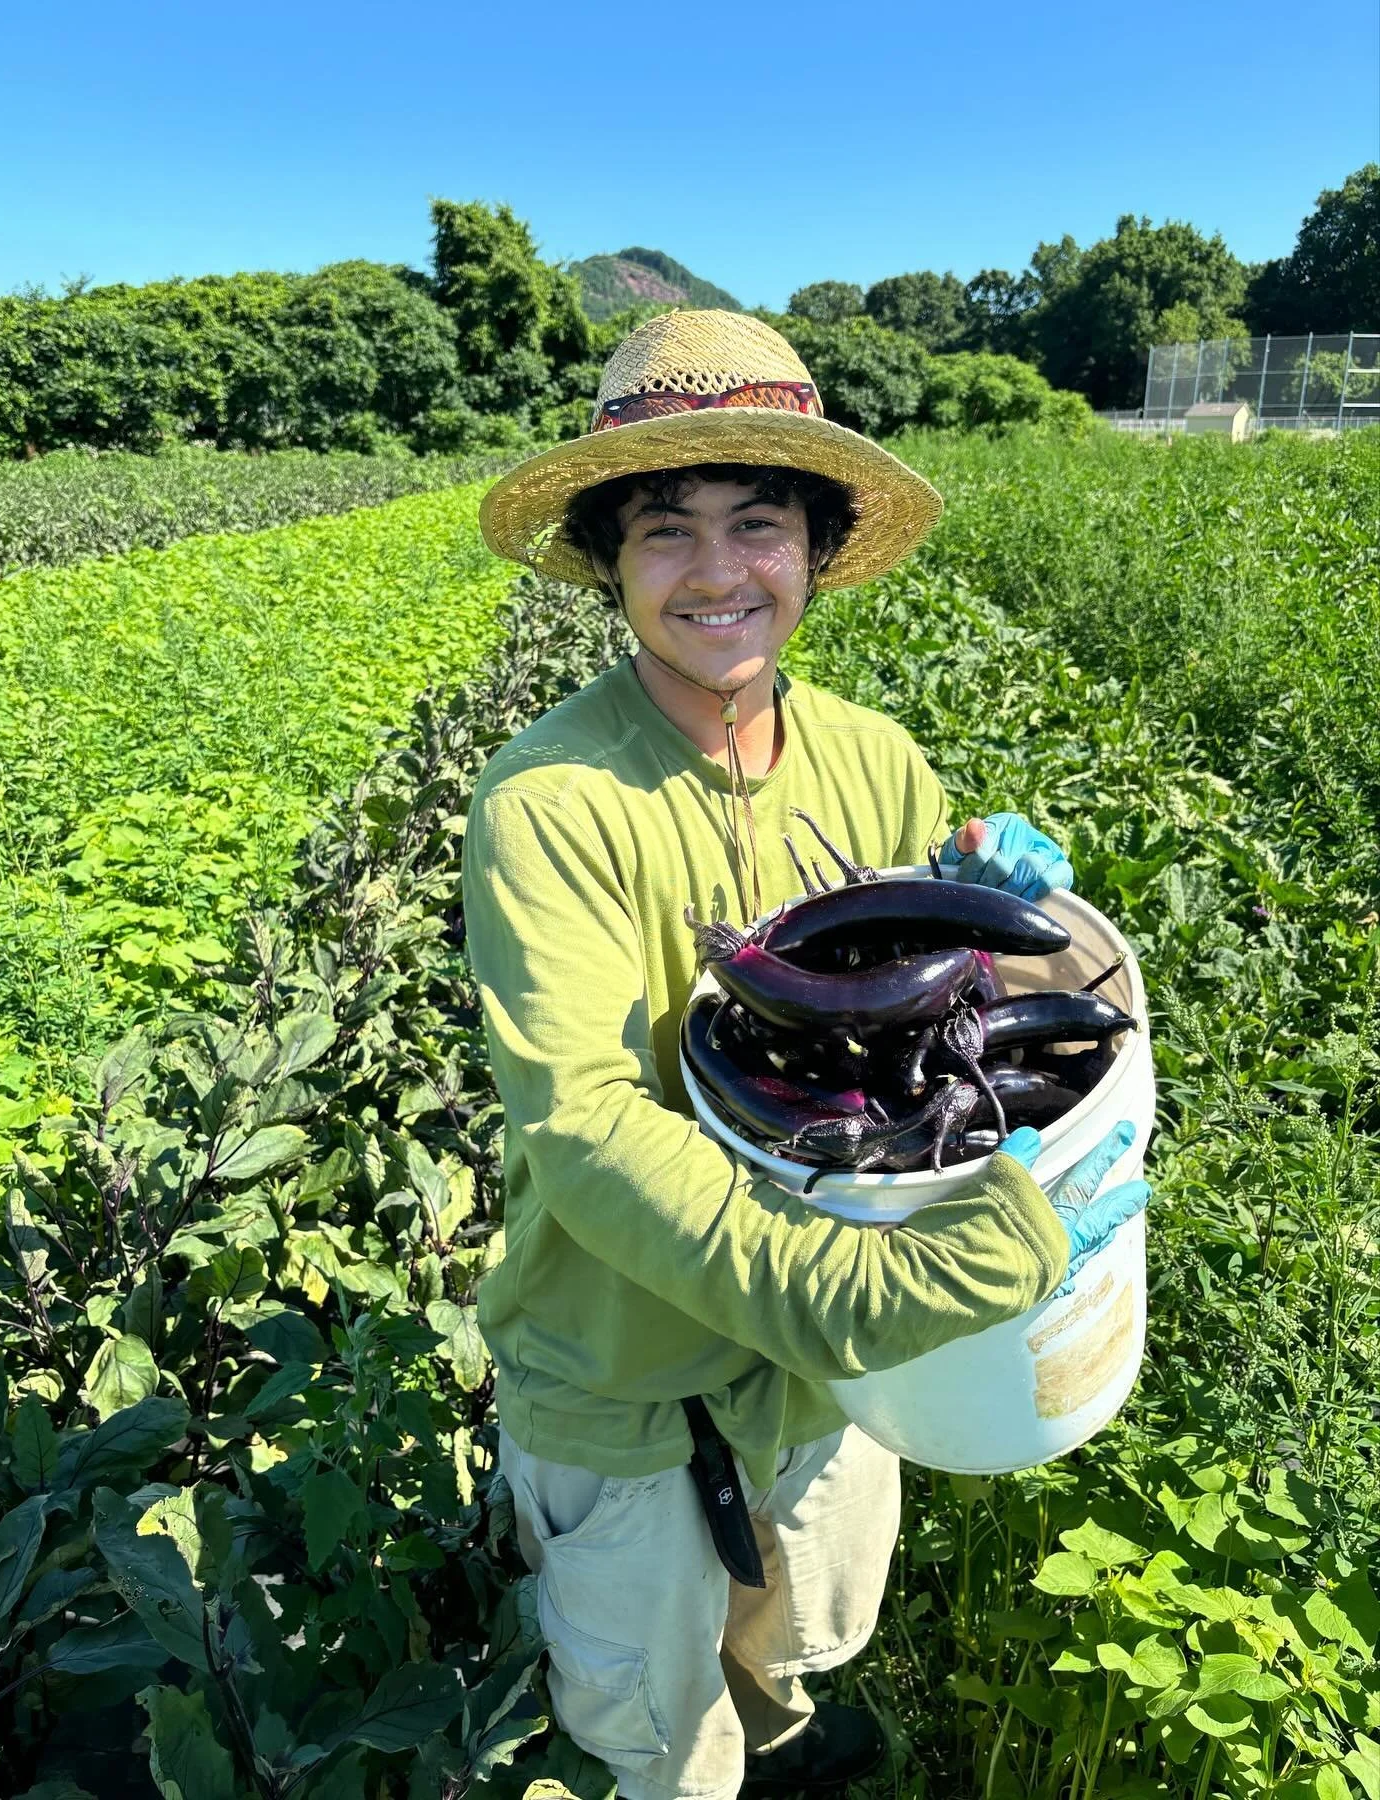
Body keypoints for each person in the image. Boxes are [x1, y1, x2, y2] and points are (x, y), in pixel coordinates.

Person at [461, 309, 1149, 1800]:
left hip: (834, 1382)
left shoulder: (874, 756)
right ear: (608, 559)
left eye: (758, 523)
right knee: (657, 1733)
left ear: (821, 548)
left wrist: (988, 905)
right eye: (665, 530)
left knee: (797, 1655)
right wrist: (877, 1290)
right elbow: (584, 1128)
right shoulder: (552, 804)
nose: (716, 572)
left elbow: (921, 1024)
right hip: (630, 1370)